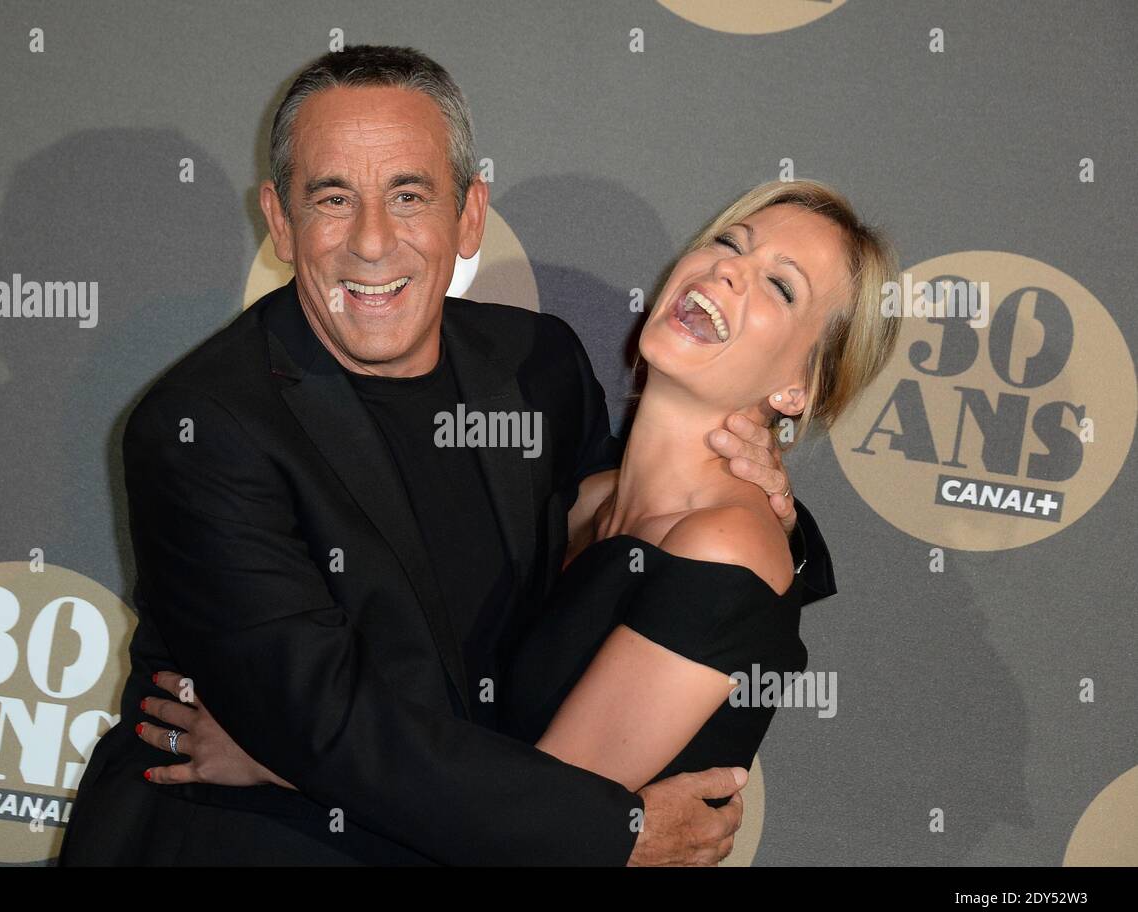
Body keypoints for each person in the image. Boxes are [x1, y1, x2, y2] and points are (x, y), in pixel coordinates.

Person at [59, 45, 834, 867]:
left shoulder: (537, 364)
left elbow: (639, 523)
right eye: (332, 198)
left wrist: (770, 518)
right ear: (280, 222)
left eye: (408, 195)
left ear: (469, 215)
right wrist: (616, 831)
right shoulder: (203, 429)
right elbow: (324, 728)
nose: (371, 241)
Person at [134, 179, 900, 844]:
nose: (731, 270)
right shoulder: (582, 486)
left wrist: (278, 764)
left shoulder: (727, 548)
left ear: (798, 389)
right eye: (730, 242)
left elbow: (539, 818)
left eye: (781, 286)